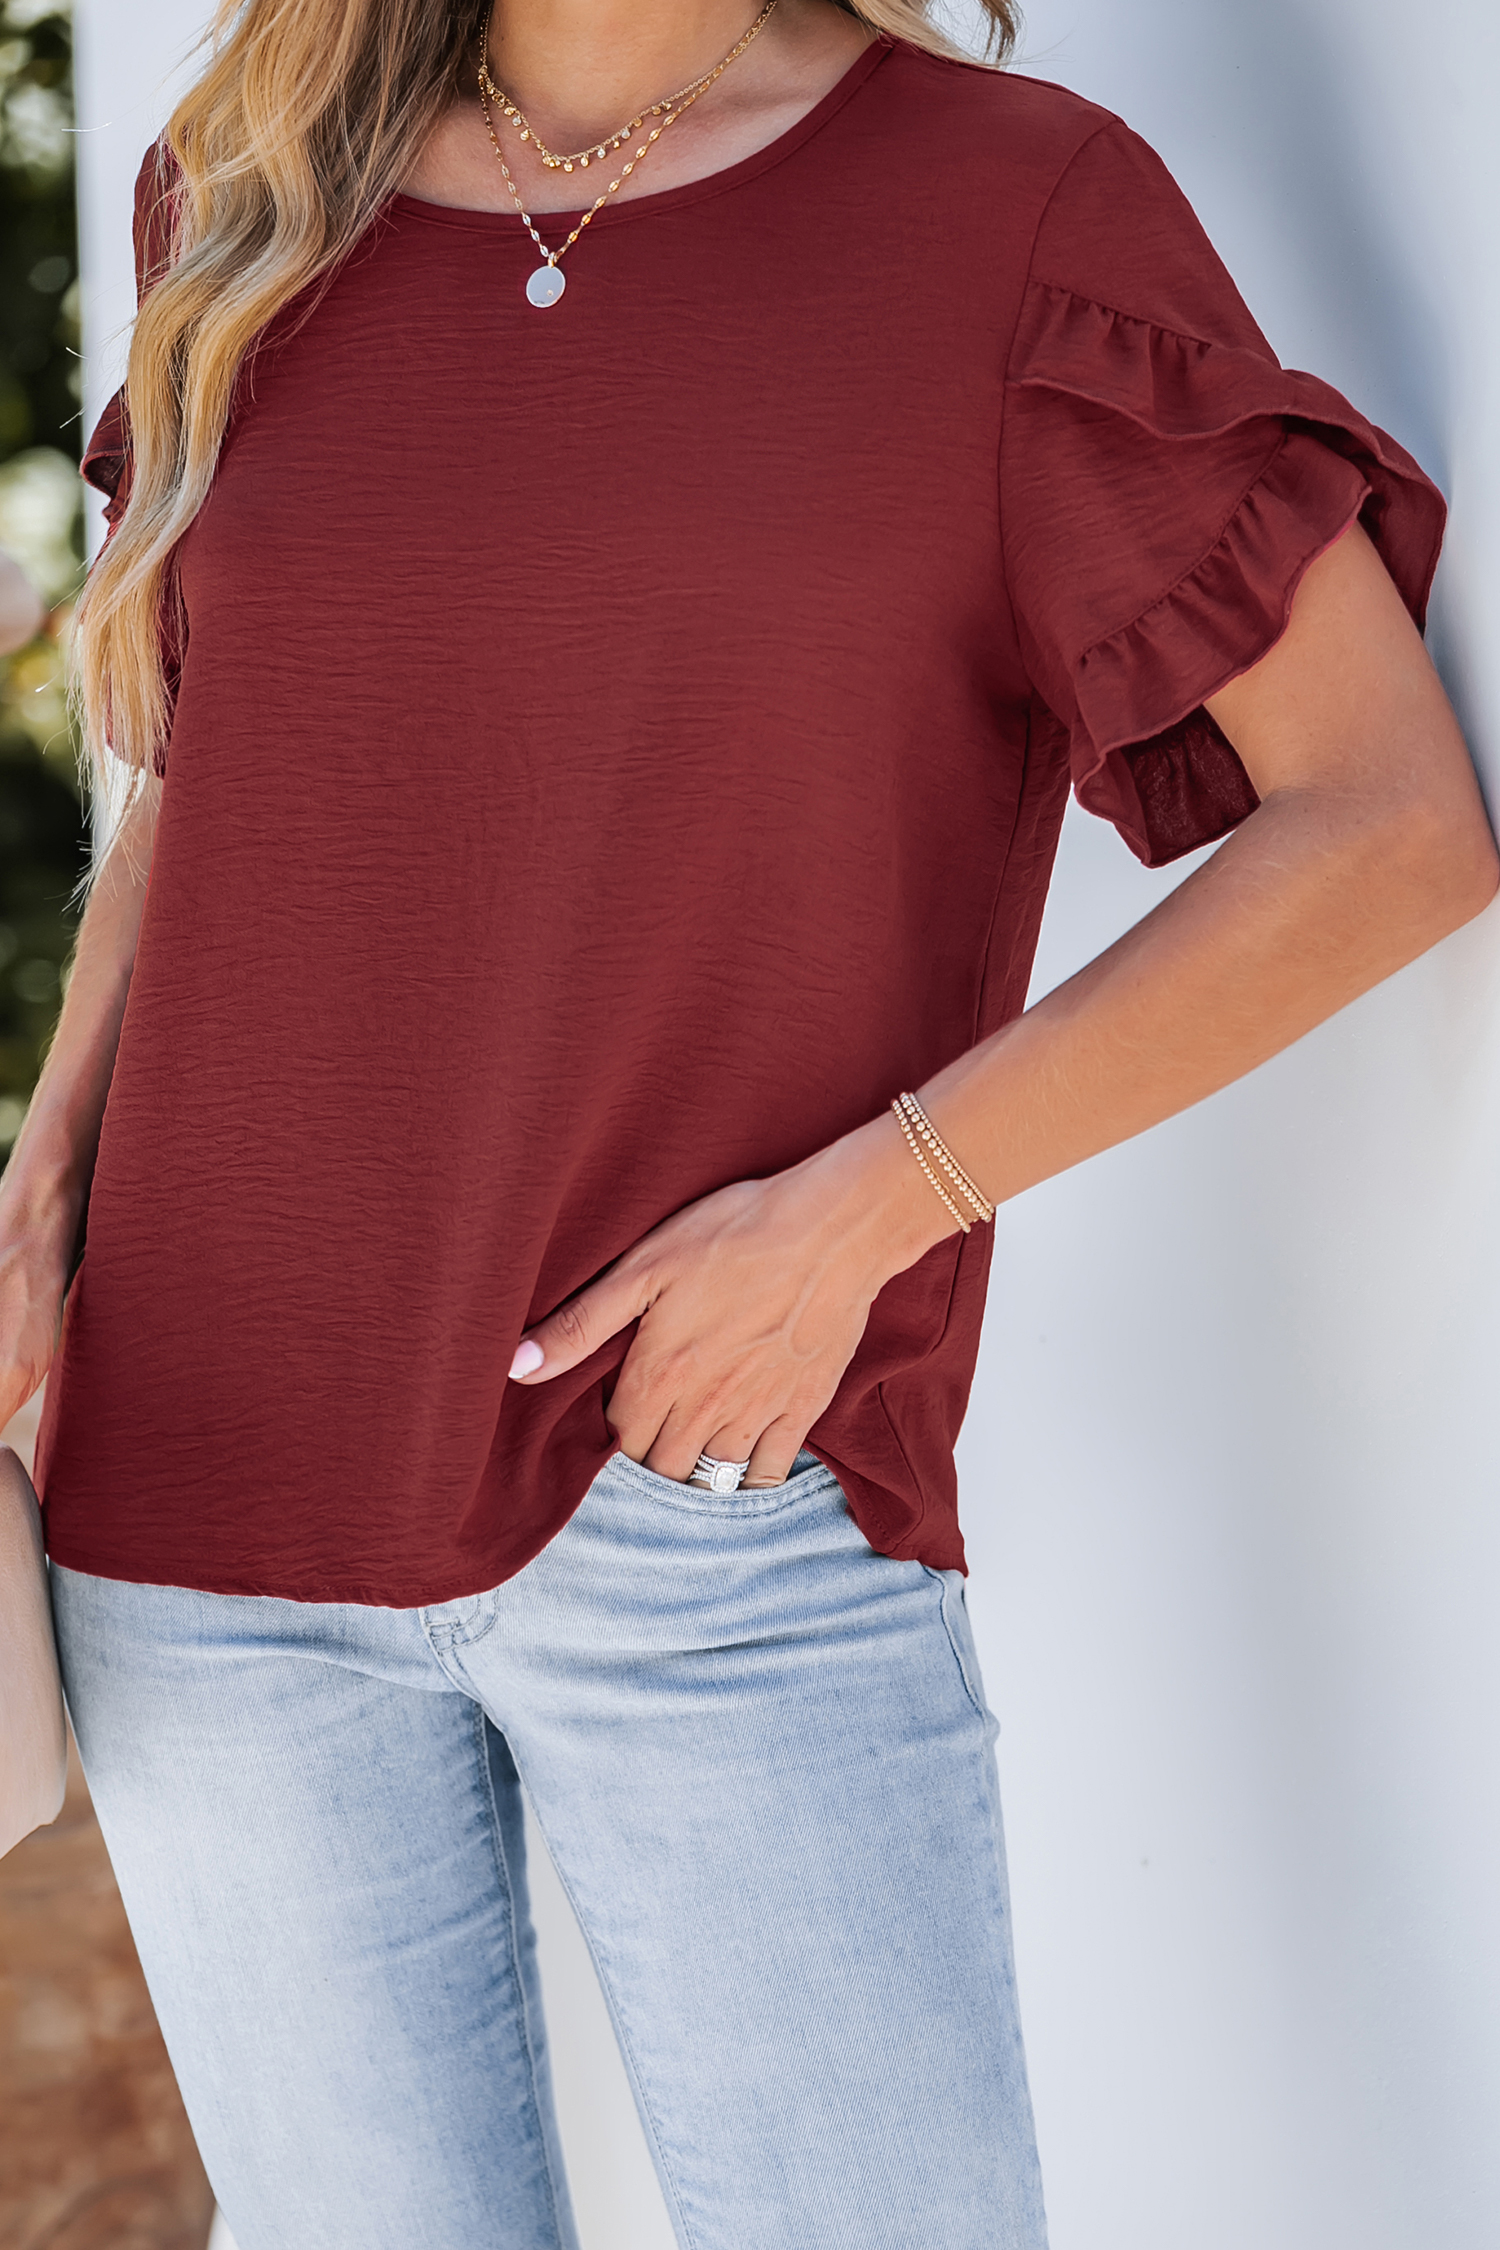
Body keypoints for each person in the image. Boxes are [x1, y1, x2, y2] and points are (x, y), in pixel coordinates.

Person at [4, 0, 1493, 2241]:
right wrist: (38, 1191)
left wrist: (865, 1213)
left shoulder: (1009, 211)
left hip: (709, 1502)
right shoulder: (250, 188)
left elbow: (1389, 825)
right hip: (200, 1510)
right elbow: (219, 769)